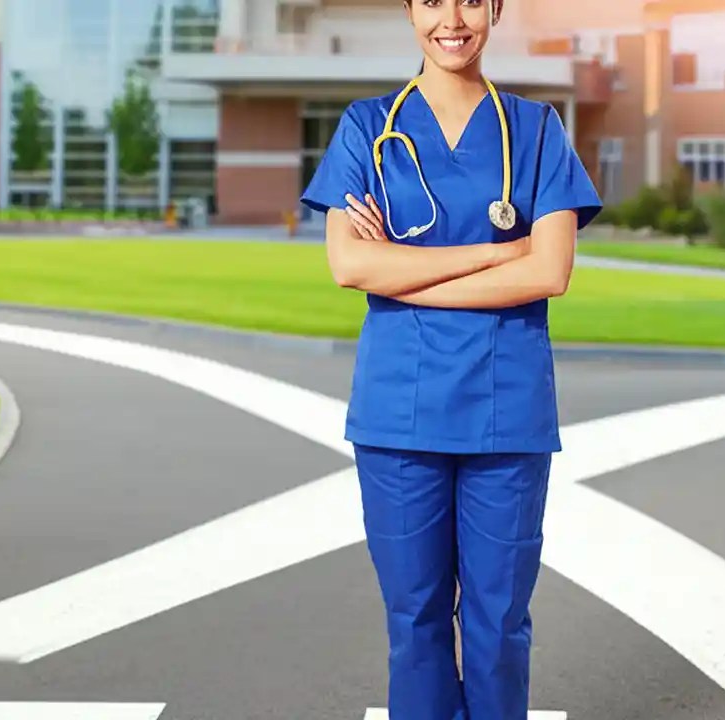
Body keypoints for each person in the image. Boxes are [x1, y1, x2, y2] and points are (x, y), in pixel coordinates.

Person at [299, 1, 602, 717]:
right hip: (398, 415)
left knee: (499, 626)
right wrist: (501, 251)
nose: (453, 18)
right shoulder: (366, 128)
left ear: (496, 8)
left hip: (507, 412)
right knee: (416, 624)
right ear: (410, 10)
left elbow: (549, 273)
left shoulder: (535, 132)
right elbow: (349, 265)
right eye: (432, 0)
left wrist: (403, 266)